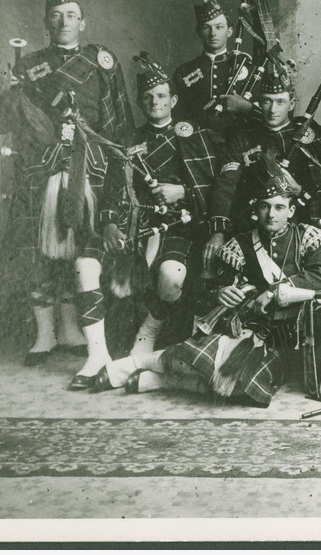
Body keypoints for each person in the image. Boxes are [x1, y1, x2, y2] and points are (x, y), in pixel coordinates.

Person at [89, 155, 321, 406]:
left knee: (248, 388)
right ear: (256, 209)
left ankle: (164, 381)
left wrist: (272, 292)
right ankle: (132, 364)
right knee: (193, 359)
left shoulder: (308, 238)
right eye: (265, 206)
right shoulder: (240, 244)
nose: (271, 214)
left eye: (279, 207)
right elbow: (209, 289)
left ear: (291, 210)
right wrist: (221, 293)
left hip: (284, 339)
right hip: (246, 329)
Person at [0, 0, 133, 368]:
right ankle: (44, 333)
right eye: (56, 15)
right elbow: (1, 125)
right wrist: (6, 89)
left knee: (80, 251)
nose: (63, 22)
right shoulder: (29, 65)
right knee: (39, 253)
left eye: (71, 15)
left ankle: (71, 330)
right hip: (39, 169)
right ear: (45, 22)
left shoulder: (101, 62)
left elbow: (118, 123)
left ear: (83, 22)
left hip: (91, 167)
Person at [69, 55, 222, 390]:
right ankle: (97, 355)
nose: (155, 102)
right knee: (84, 266)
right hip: (129, 223)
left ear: (174, 100)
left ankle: (147, 334)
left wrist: (183, 191)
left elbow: (213, 188)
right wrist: (109, 225)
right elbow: (111, 190)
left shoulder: (193, 135)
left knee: (172, 275)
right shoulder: (127, 139)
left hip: (175, 225)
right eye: (149, 97)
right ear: (140, 102)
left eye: (162, 96)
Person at [204, 56, 321, 268]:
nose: (273, 110)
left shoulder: (309, 137)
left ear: (291, 104)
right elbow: (226, 184)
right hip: (252, 225)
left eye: (280, 102)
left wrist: (298, 189)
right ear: (258, 102)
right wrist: (218, 231)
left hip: (300, 224)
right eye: (266, 101)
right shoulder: (243, 138)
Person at [172, 0, 255, 132]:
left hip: (240, 141)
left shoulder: (248, 68)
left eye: (219, 27)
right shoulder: (183, 72)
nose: (213, 34)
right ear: (198, 32)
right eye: (206, 27)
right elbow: (177, 116)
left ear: (230, 31)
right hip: (197, 141)